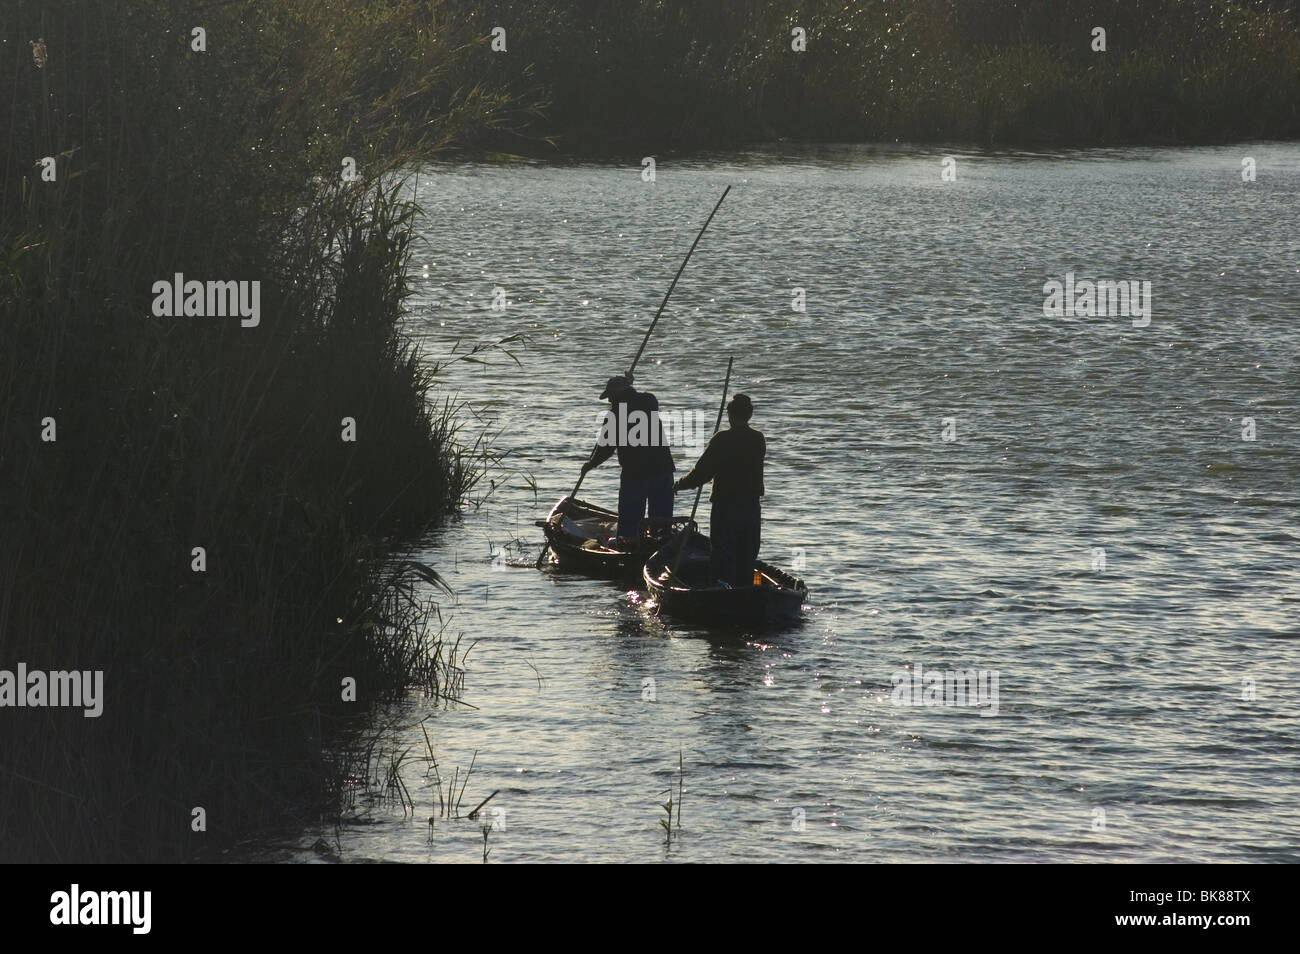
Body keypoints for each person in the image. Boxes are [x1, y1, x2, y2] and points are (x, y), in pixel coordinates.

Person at [673, 393, 765, 588]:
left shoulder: (722, 439)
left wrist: (679, 485)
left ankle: (720, 587)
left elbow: (701, 474)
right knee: (747, 552)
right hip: (751, 507)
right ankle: (746, 588)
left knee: (722, 552)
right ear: (750, 414)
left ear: (730, 414)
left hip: (726, 506)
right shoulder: (758, 439)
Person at [581, 373, 675, 547]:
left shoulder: (614, 415)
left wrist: (591, 464)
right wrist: (630, 385)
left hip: (635, 472)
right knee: (661, 521)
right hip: (662, 469)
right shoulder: (649, 401)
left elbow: (606, 448)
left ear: (616, 395)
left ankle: (627, 546)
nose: (609, 401)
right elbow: (636, 399)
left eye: (610, 396)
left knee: (630, 519)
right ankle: (661, 546)